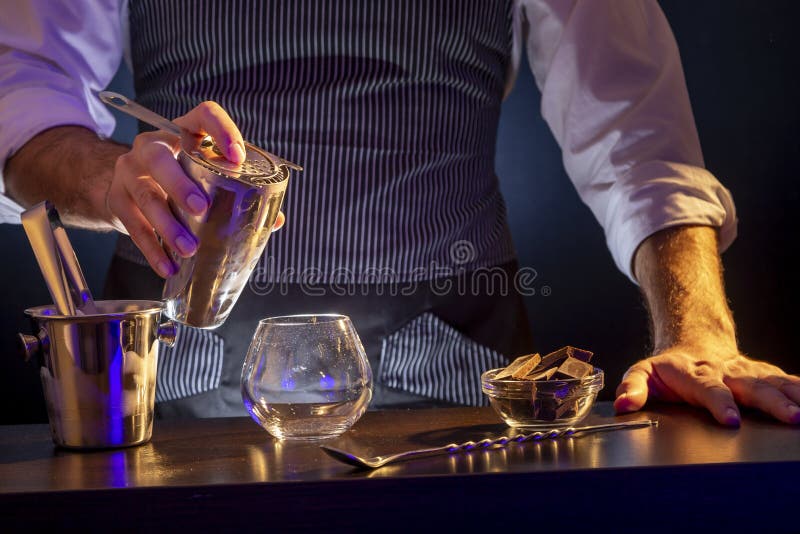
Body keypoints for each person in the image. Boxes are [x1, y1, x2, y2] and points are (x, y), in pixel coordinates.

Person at [2, 0, 798, 425]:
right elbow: (20, 87)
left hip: (460, 398)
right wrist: (113, 180)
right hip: (168, 392)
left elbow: (637, 135)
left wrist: (700, 336)